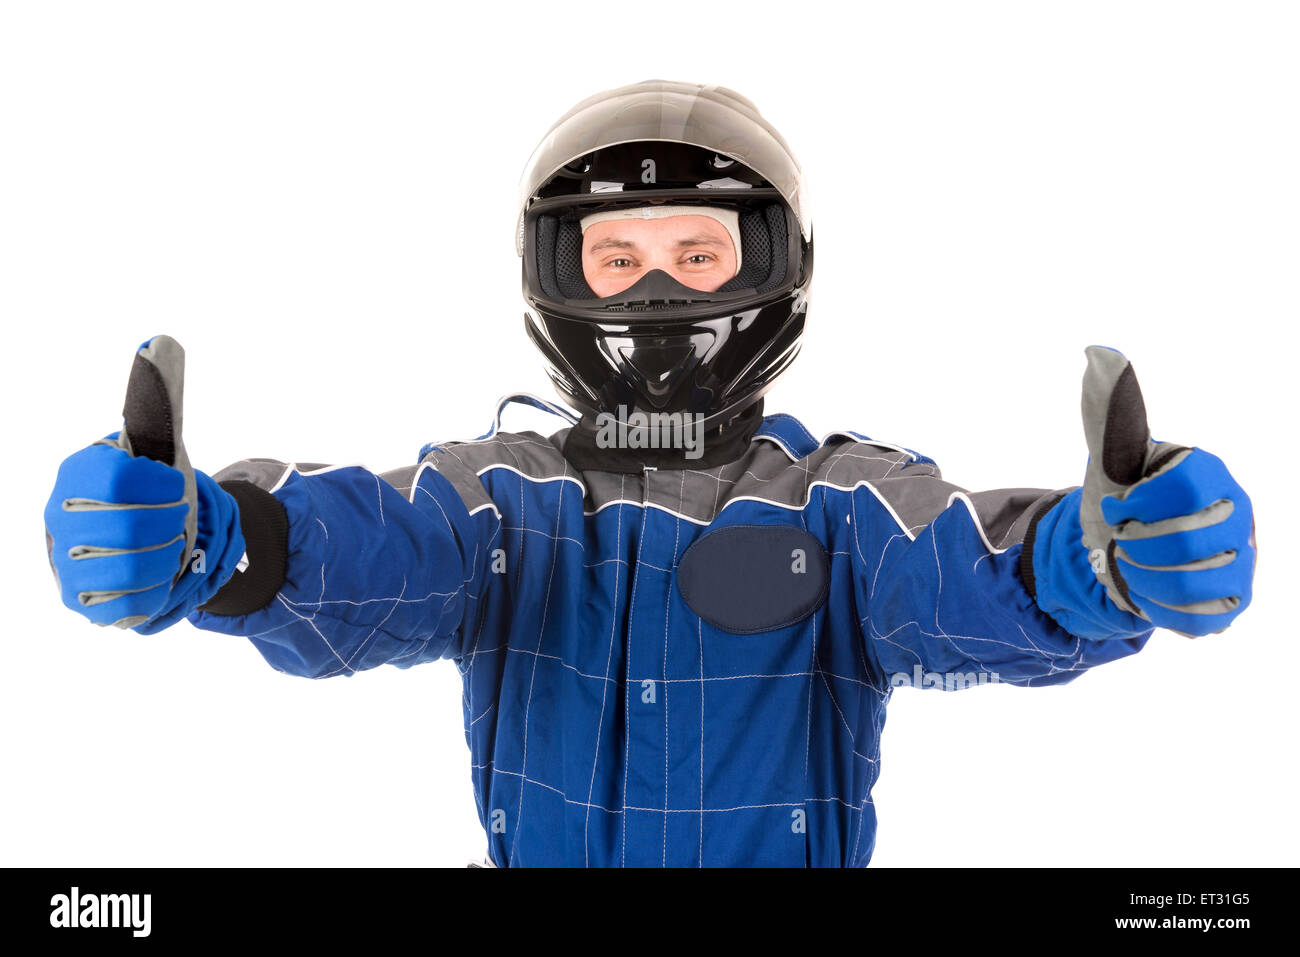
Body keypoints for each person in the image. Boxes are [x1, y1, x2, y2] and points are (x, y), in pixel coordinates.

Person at [43, 79, 1256, 867]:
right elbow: (365, 549)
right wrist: (217, 540)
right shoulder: (502, 503)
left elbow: (972, 574)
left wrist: (1102, 561)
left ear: (770, 268)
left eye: (697, 249)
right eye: (616, 258)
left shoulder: (843, 505)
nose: (661, 287)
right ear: (556, 280)